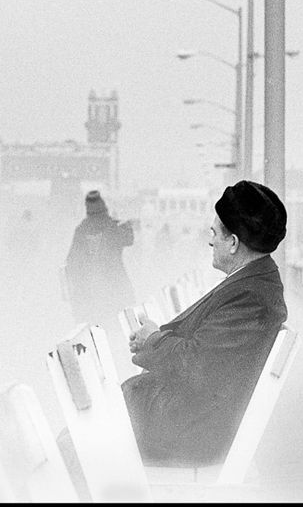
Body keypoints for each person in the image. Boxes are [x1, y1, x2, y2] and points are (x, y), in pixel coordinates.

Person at [122, 180, 288, 465]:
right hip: (192, 420)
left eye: (214, 234)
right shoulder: (253, 285)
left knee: (72, 446)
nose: (210, 241)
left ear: (233, 242)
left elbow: (198, 365)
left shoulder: (252, 297)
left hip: (189, 432)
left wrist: (152, 339)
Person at [63, 190, 136, 363]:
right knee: (116, 331)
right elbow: (129, 239)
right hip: (115, 290)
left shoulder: (81, 230)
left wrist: (75, 293)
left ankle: (98, 363)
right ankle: (119, 363)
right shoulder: (112, 226)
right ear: (104, 207)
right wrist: (127, 224)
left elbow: (71, 263)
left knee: (94, 331)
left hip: (89, 294)